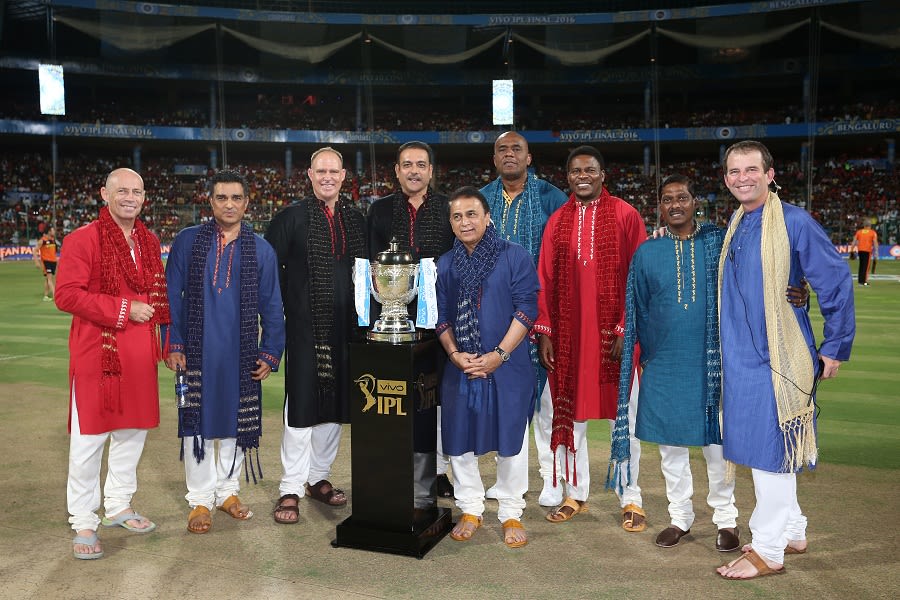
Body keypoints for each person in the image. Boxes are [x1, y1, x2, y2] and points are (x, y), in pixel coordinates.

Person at [714, 141, 855, 579]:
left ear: (770, 173)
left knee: (770, 453)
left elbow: (835, 281)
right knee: (763, 453)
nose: (743, 178)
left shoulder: (793, 221)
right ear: (726, 179)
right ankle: (792, 531)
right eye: (735, 171)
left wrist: (835, 345)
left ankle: (768, 549)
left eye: (751, 169)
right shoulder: (737, 223)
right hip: (741, 360)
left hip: (778, 359)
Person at [55, 168, 170, 560]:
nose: (129, 197)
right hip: (96, 353)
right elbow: (66, 295)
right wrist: (124, 308)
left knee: (132, 435)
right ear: (104, 193)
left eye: (136, 191)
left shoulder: (149, 241)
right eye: (122, 190)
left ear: (144, 197)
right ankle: (84, 520)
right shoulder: (81, 239)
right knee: (89, 441)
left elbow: (158, 300)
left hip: (139, 352)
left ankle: (118, 504)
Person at [164, 170, 285, 534]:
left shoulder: (261, 249)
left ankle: (228, 492)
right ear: (211, 201)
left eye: (236, 198)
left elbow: (273, 305)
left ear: (247, 203)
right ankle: (200, 499)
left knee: (236, 423)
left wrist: (270, 351)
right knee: (196, 425)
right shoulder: (187, 241)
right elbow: (171, 297)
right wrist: (174, 342)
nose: (229, 204)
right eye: (222, 198)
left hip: (241, 352)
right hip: (196, 351)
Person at [535, 145, 647, 528]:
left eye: (590, 169)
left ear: (603, 174)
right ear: (567, 176)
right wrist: (545, 333)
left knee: (625, 419)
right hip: (568, 338)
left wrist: (623, 327)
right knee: (570, 418)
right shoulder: (558, 221)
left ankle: (630, 496)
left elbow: (639, 276)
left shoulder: (626, 215)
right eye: (575, 170)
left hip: (616, 335)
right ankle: (575, 492)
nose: (582, 176)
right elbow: (544, 279)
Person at [265, 147, 367, 524]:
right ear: (309, 174)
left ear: (343, 176)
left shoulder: (356, 220)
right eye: (320, 170)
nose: (327, 176)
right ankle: (290, 487)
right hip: (306, 329)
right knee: (303, 408)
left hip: (348, 328)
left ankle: (317, 477)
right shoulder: (289, 218)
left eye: (334, 171)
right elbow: (269, 275)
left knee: (336, 406)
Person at [435, 186, 539, 548]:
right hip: (461, 365)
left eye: (471, 214)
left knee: (511, 439)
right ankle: (470, 507)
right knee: (459, 438)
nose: (465, 222)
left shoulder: (515, 256)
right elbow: (440, 318)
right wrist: (453, 354)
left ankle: (510, 510)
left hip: (508, 366)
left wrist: (499, 355)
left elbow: (527, 310)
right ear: (451, 222)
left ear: (487, 217)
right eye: (457, 216)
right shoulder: (445, 264)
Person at [480, 131, 568, 506]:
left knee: (547, 405)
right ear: (495, 158)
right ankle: (507, 480)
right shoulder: (481, 199)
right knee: (506, 405)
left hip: (543, 318)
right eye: (502, 149)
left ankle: (552, 478)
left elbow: (563, 263)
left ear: (529, 158)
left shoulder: (551, 198)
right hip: (496, 320)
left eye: (517, 148)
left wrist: (551, 320)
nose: (510, 154)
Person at [367, 141, 455, 497]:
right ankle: (406, 473)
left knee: (442, 399)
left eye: (421, 164)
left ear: (431, 170)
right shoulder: (380, 210)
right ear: (397, 171)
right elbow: (370, 268)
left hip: (444, 323)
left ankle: (444, 472)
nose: (414, 170)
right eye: (407, 165)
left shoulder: (450, 208)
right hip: (395, 325)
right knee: (404, 400)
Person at [34, 225, 59, 301]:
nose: (54, 232)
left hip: (53, 261)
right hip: (46, 261)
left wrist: (56, 259)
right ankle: (56, 295)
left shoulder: (53, 240)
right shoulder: (42, 241)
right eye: (53, 230)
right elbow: (35, 251)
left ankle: (45, 296)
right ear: (49, 232)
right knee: (50, 279)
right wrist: (37, 262)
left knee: (48, 279)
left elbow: (54, 251)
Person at [852, 220, 878, 286]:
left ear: (864, 225)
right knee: (866, 267)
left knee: (861, 266)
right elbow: (875, 242)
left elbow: (854, 241)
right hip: (867, 250)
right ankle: (864, 282)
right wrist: (876, 251)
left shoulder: (859, 232)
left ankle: (860, 281)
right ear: (870, 225)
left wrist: (852, 250)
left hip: (860, 250)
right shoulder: (873, 232)